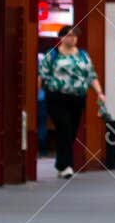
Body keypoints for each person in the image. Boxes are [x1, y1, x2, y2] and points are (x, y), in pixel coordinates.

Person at [40, 25, 104, 180]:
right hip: (56, 96)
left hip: (77, 97)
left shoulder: (82, 55)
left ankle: (61, 165)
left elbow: (91, 75)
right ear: (61, 37)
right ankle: (66, 165)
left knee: (71, 131)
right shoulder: (52, 55)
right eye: (69, 35)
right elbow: (42, 75)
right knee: (64, 127)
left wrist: (99, 93)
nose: (73, 38)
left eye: (75, 36)